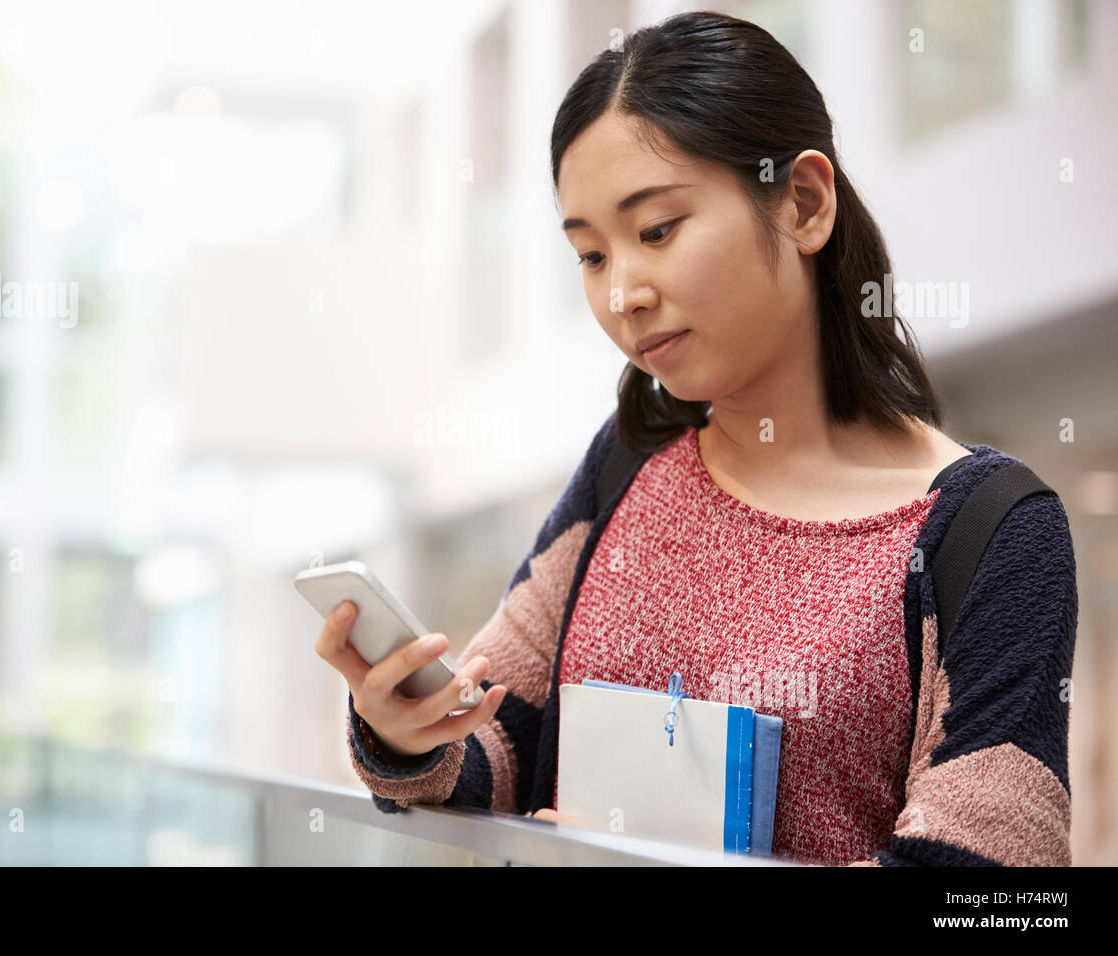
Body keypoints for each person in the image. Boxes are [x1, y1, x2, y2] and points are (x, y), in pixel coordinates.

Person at [316, 10, 1077, 866]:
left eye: (656, 231)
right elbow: (495, 751)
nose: (623, 294)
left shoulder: (991, 529)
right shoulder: (627, 463)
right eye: (592, 255)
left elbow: (994, 892)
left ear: (803, 203)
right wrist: (407, 732)